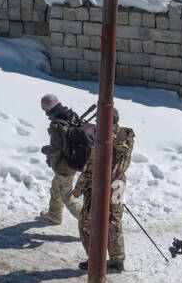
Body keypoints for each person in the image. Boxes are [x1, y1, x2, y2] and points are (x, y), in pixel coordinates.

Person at [72, 106, 134, 273]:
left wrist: (77, 191)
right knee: (114, 222)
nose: (96, 122)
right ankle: (117, 259)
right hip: (118, 185)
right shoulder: (126, 136)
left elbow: (90, 169)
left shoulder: (104, 139)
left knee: (86, 222)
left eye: (99, 119)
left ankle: (95, 258)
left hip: (100, 186)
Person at [38, 93, 84, 226]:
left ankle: (91, 223)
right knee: (56, 187)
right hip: (73, 159)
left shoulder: (56, 124)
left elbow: (56, 149)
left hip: (64, 165)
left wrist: (45, 149)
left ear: (47, 108)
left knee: (68, 196)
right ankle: (54, 214)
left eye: (44, 109)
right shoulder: (71, 115)